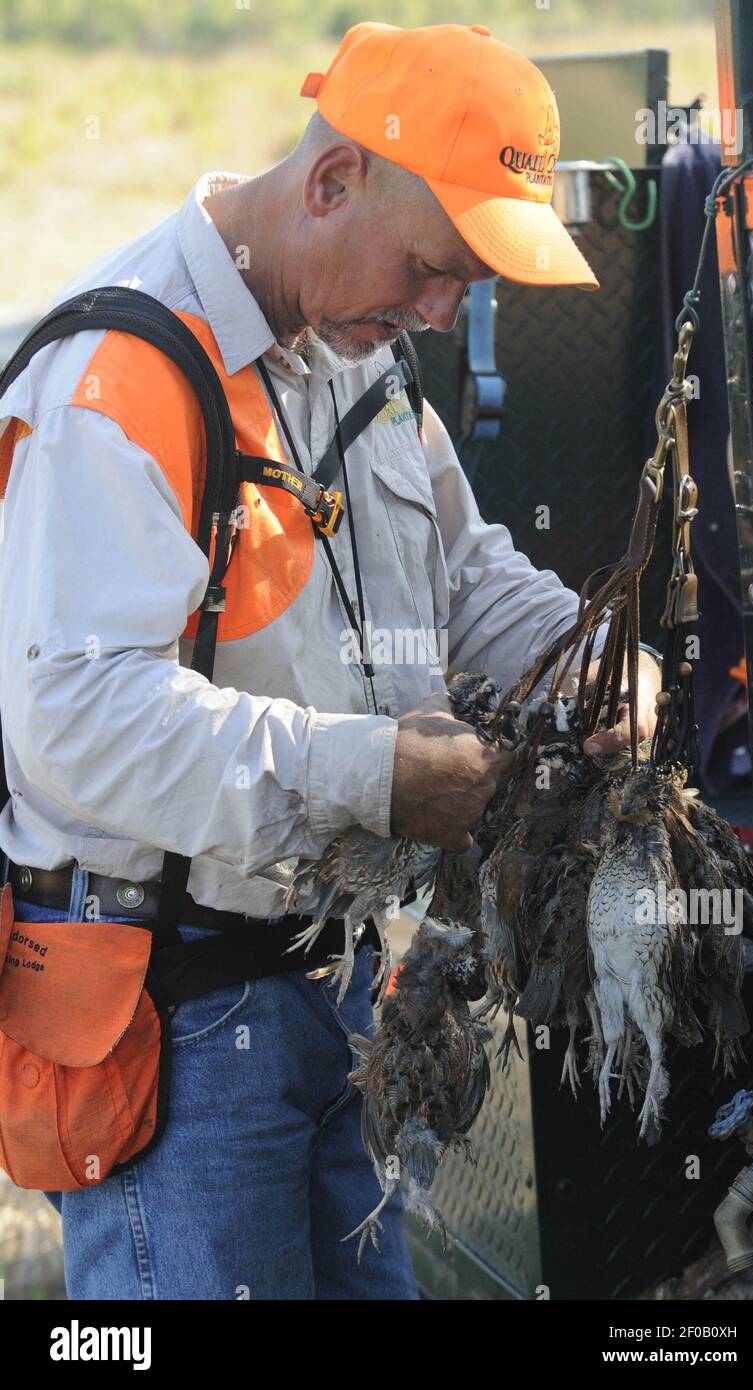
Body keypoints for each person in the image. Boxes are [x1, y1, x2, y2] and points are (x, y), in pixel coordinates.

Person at [0, 21, 661, 1300]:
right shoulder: (119, 376)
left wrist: (589, 665)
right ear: (330, 181)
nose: (439, 309)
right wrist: (371, 777)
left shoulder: (358, 355)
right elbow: (71, 719)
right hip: (175, 1018)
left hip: (340, 992)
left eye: (464, 281)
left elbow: (466, 577)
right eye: (431, 265)